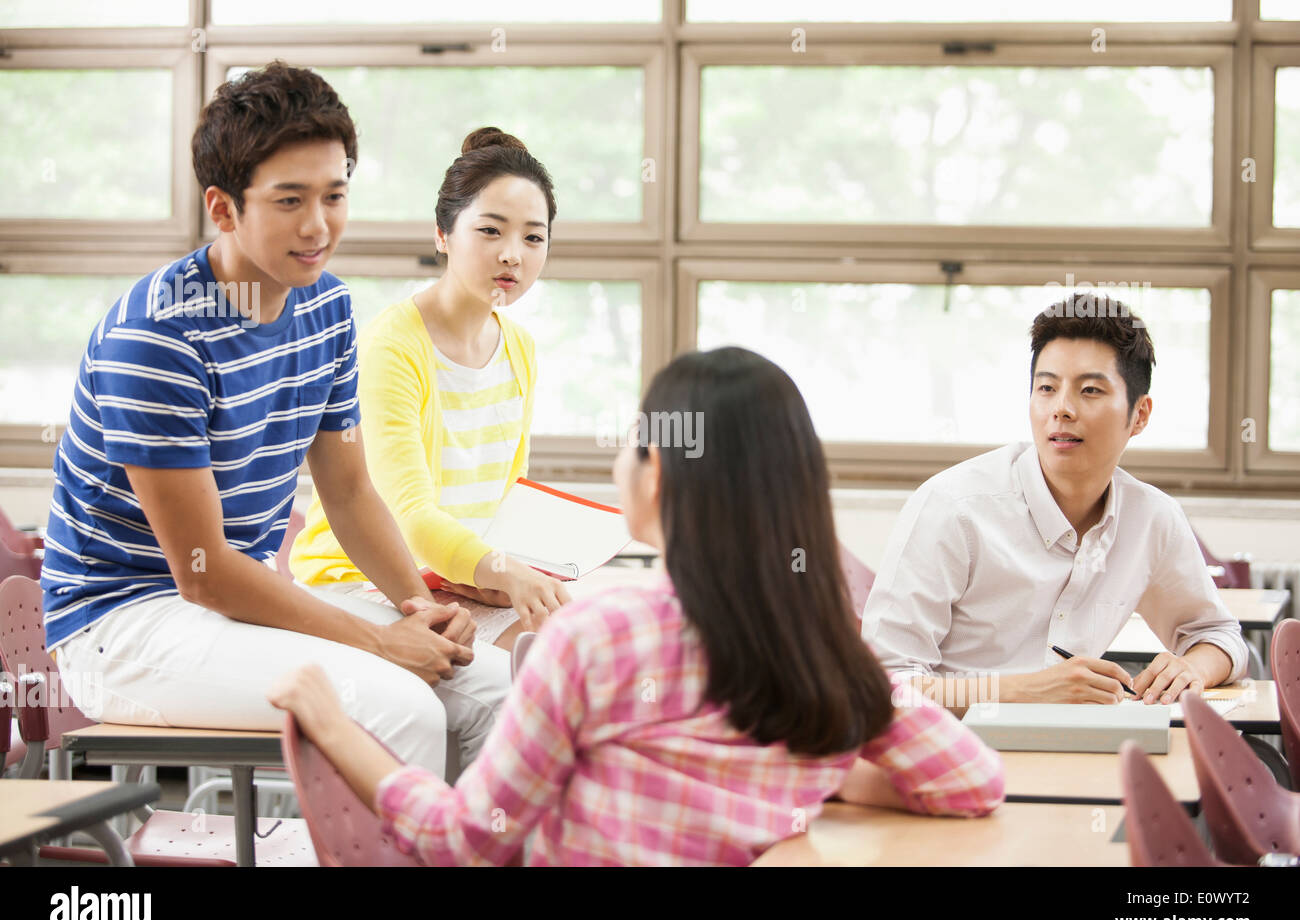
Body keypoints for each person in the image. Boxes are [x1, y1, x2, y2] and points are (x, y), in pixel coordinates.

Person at [270, 347, 1004, 866]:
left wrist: (334, 724)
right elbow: (971, 782)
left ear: (656, 478)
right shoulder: (832, 659)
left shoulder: (595, 638)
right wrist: (816, 774)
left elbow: (467, 841)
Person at [40, 62, 509, 779]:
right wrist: (381, 644)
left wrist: (417, 610)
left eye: (334, 195)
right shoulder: (158, 337)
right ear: (224, 208)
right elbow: (202, 575)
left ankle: (472, 839)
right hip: (124, 627)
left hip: (241, 601)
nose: (318, 225)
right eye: (290, 200)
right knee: (399, 705)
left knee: (500, 688)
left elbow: (349, 492)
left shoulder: (327, 309)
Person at [862, 293, 1248, 710]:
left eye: (1090, 390)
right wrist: (1027, 691)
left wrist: (1192, 668)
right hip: (954, 743)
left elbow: (1219, 635)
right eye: (1046, 388)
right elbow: (884, 687)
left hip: (1074, 740)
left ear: (1139, 415)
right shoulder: (954, 509)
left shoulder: (1150, 518)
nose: (1061, 409)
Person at [290, 127, 568, 650]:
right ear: (443, 235)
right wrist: (501, 572)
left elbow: (509, 496)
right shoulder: (392, 347)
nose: (513, 254)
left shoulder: (520, 348)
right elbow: (409, 517)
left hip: (457, 578)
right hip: (363, 584)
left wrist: (501, 572)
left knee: (578, 647)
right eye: (491, 231)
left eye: (533, 238)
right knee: (525, 674)